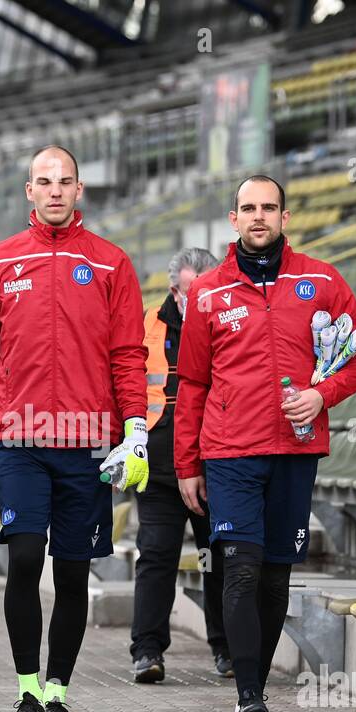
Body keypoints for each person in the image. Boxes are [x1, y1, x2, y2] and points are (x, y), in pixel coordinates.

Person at [174, 175, 356, 712]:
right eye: (248, 208)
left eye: (269, 207)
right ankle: (247, 698)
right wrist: (186, 463)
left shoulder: (322, 280)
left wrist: (322, 394)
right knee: (240, 566)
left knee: (274, 578)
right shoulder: (209, 293)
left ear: (285, 218)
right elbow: (191, 383)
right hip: (230, 450)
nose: (258, 216)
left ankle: (256, 690)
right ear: (233, 220)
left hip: (295, 449)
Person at [0, 144, 148, 712]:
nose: (53, 190)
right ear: (28, 191)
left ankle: (57, 693)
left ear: (79, 191)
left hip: (87, 444)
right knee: (24, 556)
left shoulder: (110, 264)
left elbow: (129, 354)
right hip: (20, 439)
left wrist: (136, 431)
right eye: (43, 181)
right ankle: (24, 691)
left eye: (64, 181)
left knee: (73, 573)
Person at [130, 247, 230, 683]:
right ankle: (147, 651)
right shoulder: (147, 324)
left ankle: (227, 650)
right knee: (156, 556)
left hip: (216, 459)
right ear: (175, 290)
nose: (203, 299)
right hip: (158, 462)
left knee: (221, 557)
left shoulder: (227, 321)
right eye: (194, 292)